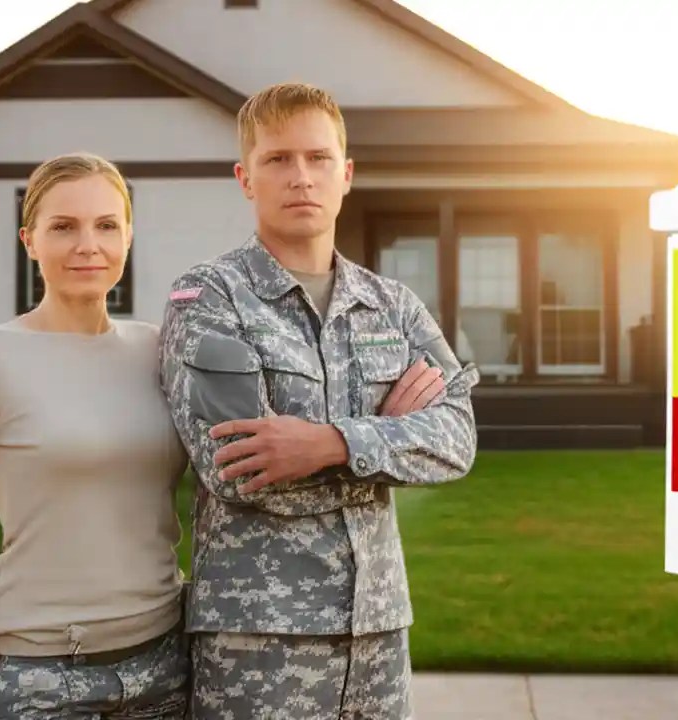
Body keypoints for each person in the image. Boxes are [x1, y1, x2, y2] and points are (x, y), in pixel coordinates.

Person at [159, 83, 480, 719]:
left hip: (379, 635)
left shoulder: (392, 305)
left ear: (346, 173)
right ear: (245, 179)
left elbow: (456, 443)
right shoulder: (208, 299)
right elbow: (237, 471)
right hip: (258, 643)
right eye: (277, 160)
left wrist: (328, 443)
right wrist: (385, 439)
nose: (300, 177)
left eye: (318, 158)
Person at [0, 153, 191, 719]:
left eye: (106, 225)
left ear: (128, 237)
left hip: (167, 666)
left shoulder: (160, 349)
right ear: (30, 239)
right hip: (37, 674)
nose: (87, 244)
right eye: (63, 226)